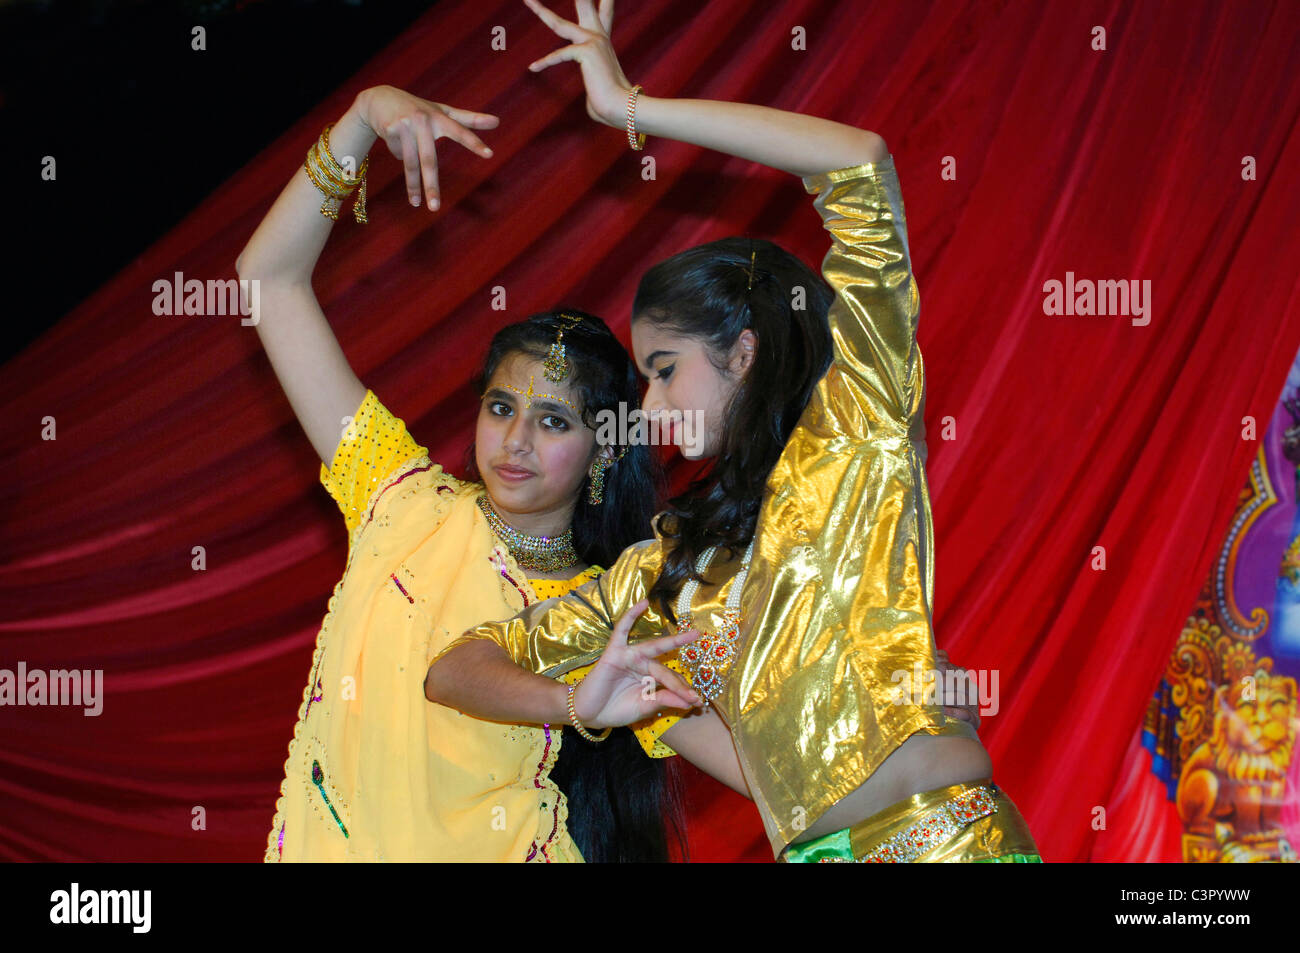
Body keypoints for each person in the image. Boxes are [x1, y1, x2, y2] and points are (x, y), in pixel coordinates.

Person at [427, 0, 1040, 863]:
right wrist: (584, 705)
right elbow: (454, 664)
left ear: (743, 349)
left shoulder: (852, 427)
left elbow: (859, 164)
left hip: (948, 844)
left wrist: (631, 110)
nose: (645, 405)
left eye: (665, 367)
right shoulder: (658, 576)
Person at [236, 82, 690, 861]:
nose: (514, 438)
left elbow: (739, 748)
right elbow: (267, 281)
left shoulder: (611, 602)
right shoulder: (396, 495)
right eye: (500, 406)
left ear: (602, 448)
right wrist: (362, 117)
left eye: (553, 421)